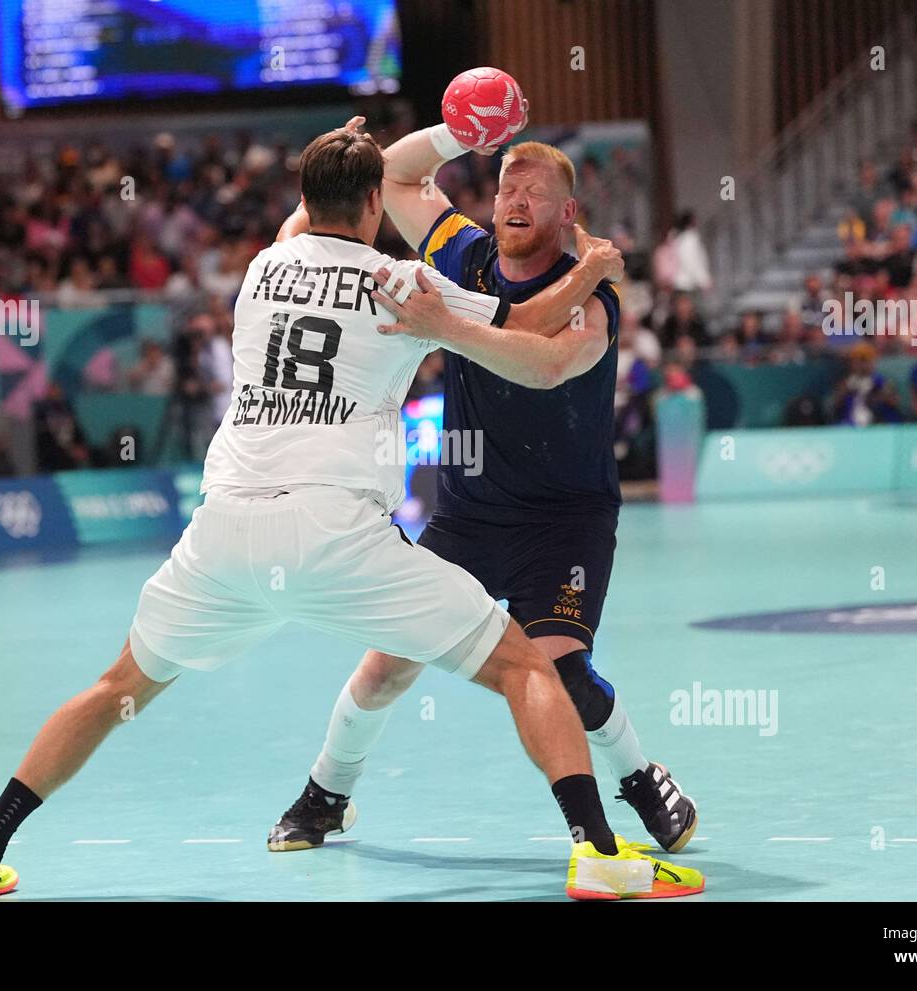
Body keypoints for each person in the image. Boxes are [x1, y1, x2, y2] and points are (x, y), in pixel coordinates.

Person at [0, 123, 704, 903]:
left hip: (223, 536)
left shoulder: (263, 266)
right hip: (337, 536)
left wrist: (393, 142)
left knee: (115, 688)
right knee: (525, 667)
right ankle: (600, 853)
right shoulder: (403, 286)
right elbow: (531, 327)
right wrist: (589, 271)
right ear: (375, 204)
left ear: (304, 201)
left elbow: (348, 197)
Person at [268, 115, 698, 859]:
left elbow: (545, 364)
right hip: (468, 514)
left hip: (566, 519)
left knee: (561, 670)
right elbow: (396, 178)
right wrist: (459, 130)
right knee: (388, 661)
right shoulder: (464, 255)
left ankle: (639, 777)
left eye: (534, 190)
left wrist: (445, 326)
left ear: (568, 214)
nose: (513, 199)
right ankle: (325, 794)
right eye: (504, 186)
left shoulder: (590, 293)